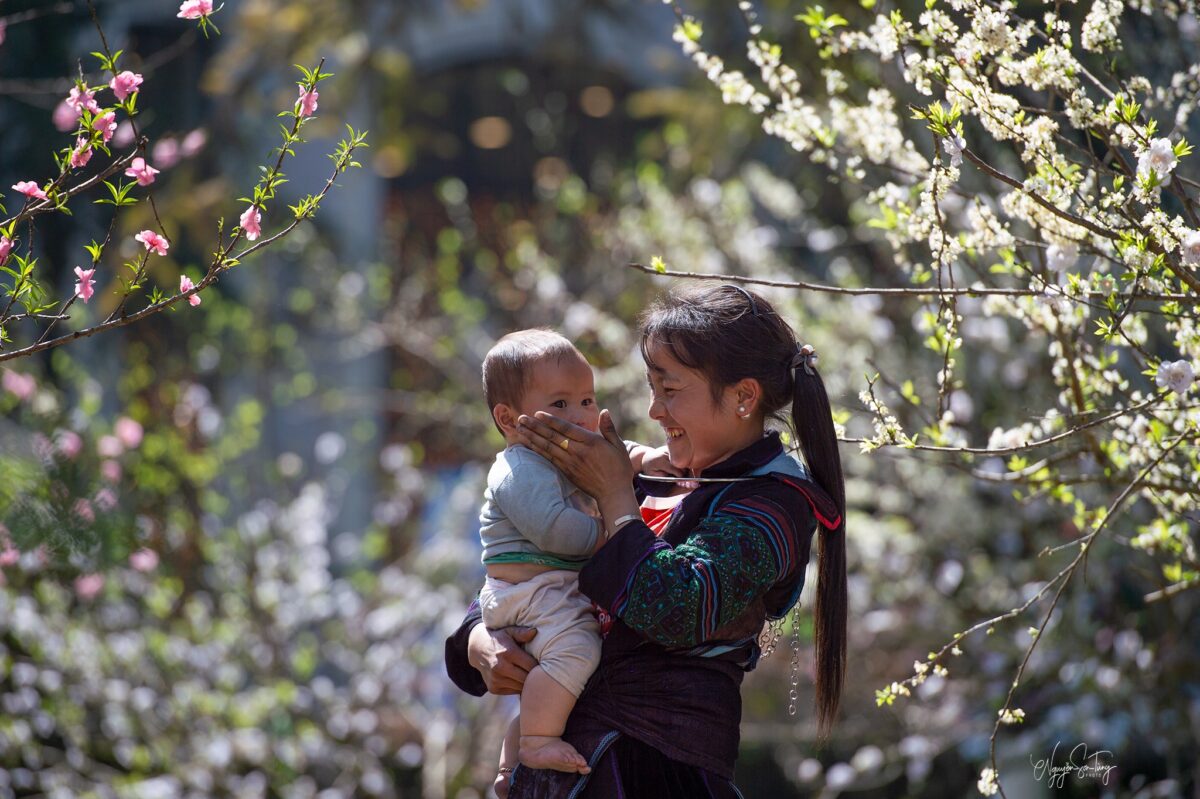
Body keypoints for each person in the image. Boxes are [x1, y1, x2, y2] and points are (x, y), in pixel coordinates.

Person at [446, 285, 847, 798]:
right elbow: (528, 565)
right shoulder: (649, 478)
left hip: (657, 771)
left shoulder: (773, 506)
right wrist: (479, 640)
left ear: (744, 397)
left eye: (671, 389)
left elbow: (678, 607)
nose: (654, 411)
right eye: (651, 388)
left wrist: (614, 495)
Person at [475, 329, 679, 796]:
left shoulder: (570, 451)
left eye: (587, 400)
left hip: (548, 589)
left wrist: (646, 458)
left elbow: (618, 456)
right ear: (509, 419)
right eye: (561, 404)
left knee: (570, 671)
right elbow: (555, 530)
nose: (581, 417)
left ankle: (515, 755)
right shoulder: (518, 469)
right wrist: (612, 530)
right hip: (527, 594)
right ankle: (538, 740)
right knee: (578, 650)